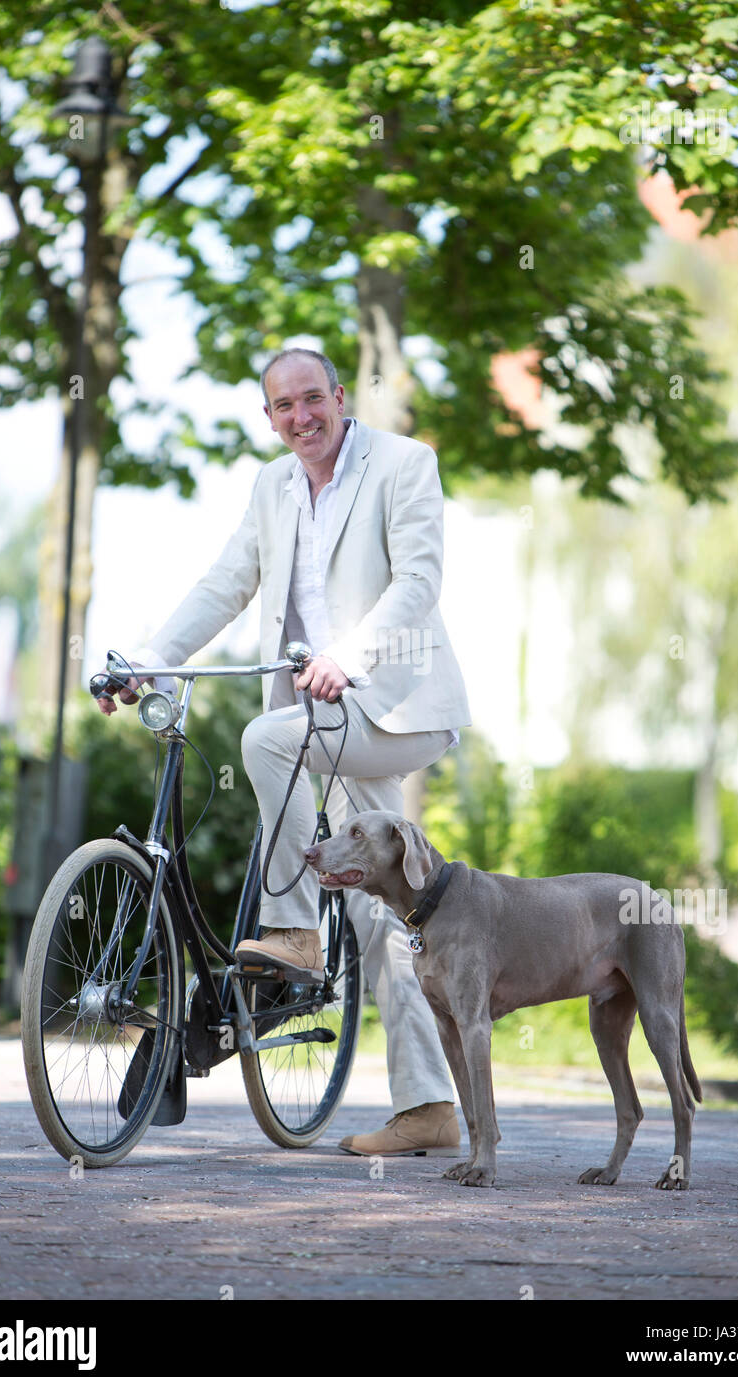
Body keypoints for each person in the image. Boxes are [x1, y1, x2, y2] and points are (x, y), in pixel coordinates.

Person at [96, 348, 471, 1157]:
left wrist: (350, 655)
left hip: (389, 705)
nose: (301, 418)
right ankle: (433, 1107)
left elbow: (417, 582)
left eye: (313, 400)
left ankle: (294, 929)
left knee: (267, 736)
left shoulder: (405, 465)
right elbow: (227, 582)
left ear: (340, 396)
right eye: (283, 407)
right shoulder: (271, 484)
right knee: (390, 911)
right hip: (318, 722)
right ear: (268, 417)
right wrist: (150, 660)